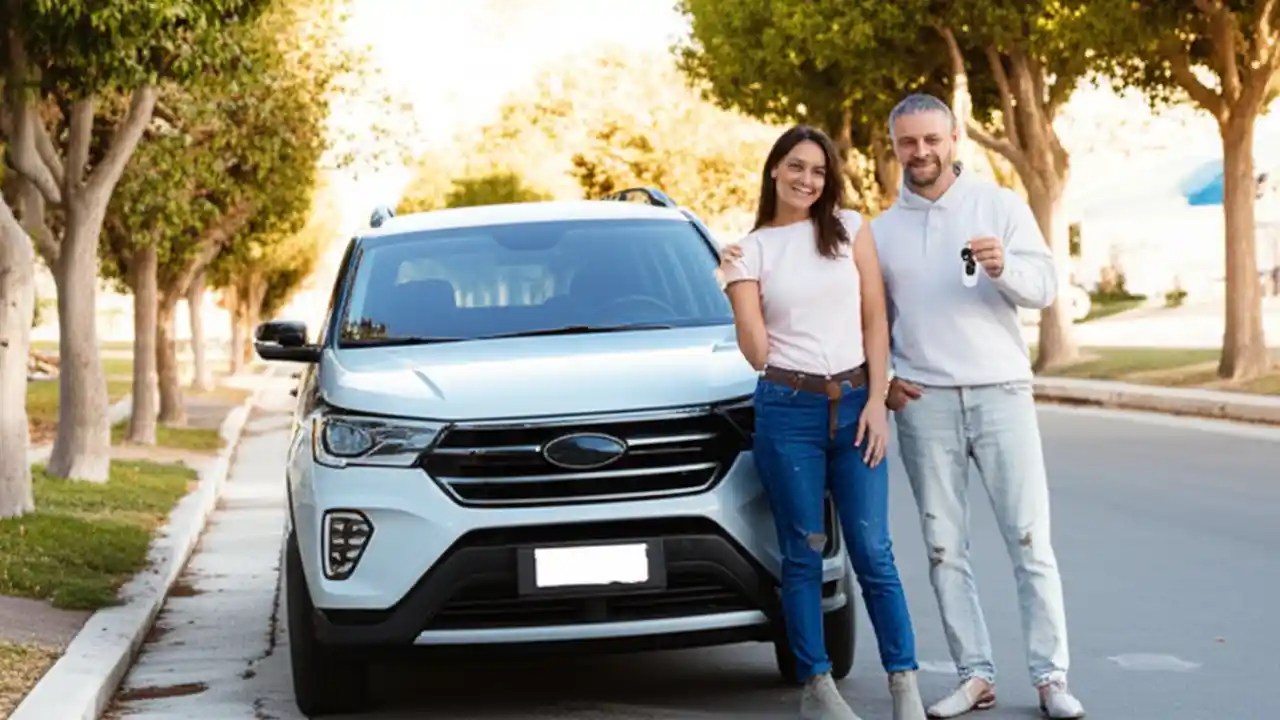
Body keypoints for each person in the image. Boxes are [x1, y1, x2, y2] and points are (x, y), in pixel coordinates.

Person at [872, 93, 1086, 720]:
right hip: (924, 403)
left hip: (1001, 393)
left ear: (954, 137)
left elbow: (1045, 289)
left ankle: (1051, 679)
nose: (921, 152)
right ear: (895, 147)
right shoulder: (882, 233)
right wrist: (882, 384)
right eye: (908, 142)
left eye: (932, 139)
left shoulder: (1000, 205)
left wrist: (1004, 269)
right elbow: (873, 321)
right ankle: (975, 675)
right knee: (944, 549)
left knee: (1029, 542)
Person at [719, 124, 926, 720]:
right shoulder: (750, 250)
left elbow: (875, 319)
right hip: (788, 413)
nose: (808, 179)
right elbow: (758, 353)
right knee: (803, 553)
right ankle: (817, 686)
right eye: (796, 167)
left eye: (818, 170)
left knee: (872, 550)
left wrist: (877, 403)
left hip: (857, 404)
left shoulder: (850, 230)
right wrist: (735, 281)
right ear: (774, 171)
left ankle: (903, 681)